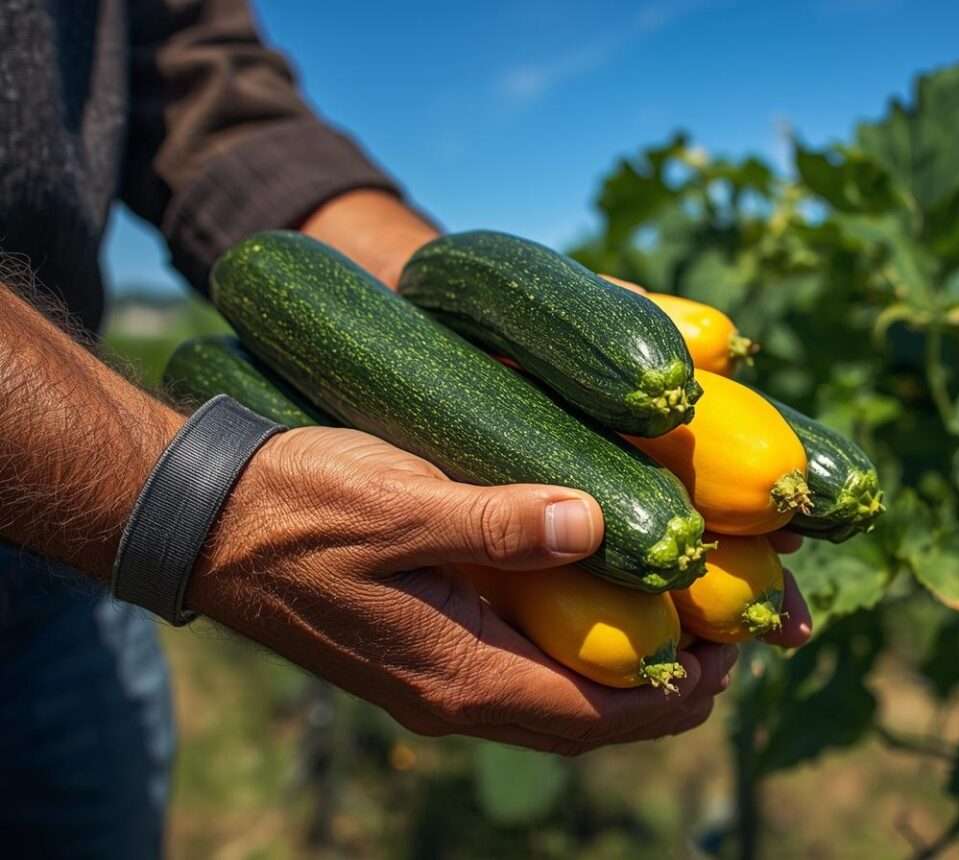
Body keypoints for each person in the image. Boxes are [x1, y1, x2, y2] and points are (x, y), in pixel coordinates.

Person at [0, 2, 812, 856]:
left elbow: (198, 82)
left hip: (60, 609)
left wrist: (476, 305)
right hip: (83, 514)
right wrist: (192, 504)